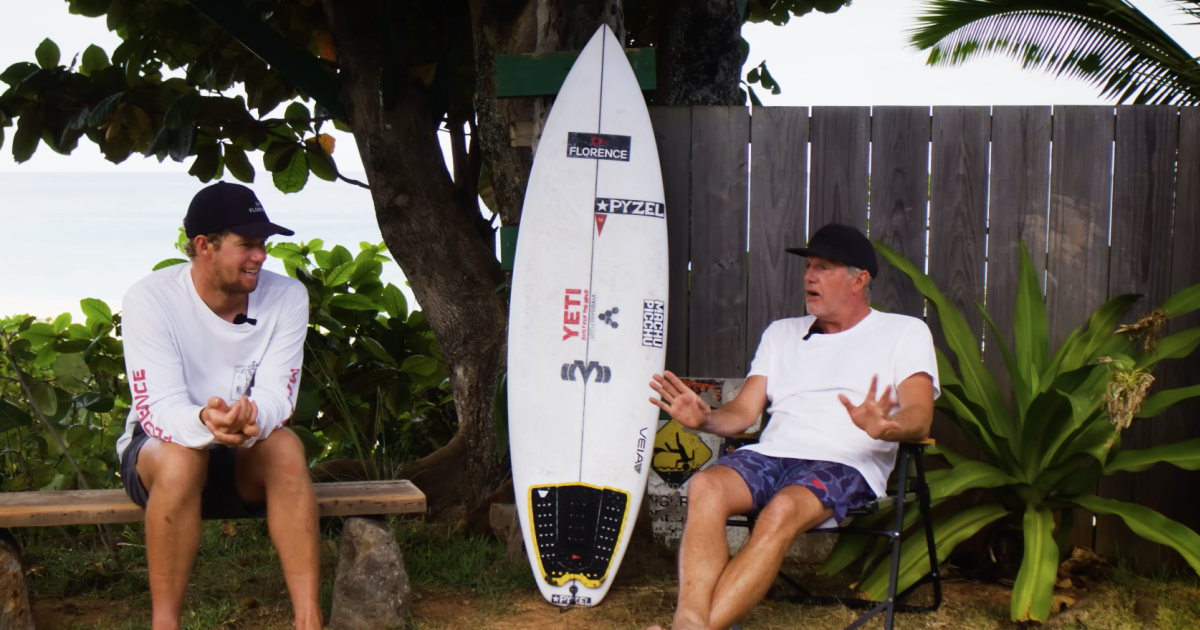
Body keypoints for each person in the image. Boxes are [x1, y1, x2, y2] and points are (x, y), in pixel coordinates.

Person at [646, 223, 939, 630]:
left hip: (844, 462)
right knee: (705, 486)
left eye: (824, 267)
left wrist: (886, 426)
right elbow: (745, 413)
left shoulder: (904, 332)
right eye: (808, 267)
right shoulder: (781, 334)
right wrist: (708, 418)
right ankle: (689, 621)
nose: (810, 276)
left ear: (859, 279)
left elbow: (919, 416)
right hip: (773, 454)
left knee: (782, 508)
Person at [115, 182, 320, 630]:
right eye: (247, 245)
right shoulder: (149, 299)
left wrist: (251, 417)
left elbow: (276, 397)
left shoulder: (287, 297)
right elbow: (159, 410)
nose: (261, 256)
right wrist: (208, 421)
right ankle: (165, 625)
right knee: (181, 459)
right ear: (204, 246)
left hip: (245, 448)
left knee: (286, 448)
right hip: (161, 454)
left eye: (263, 244)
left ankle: (309, 622)